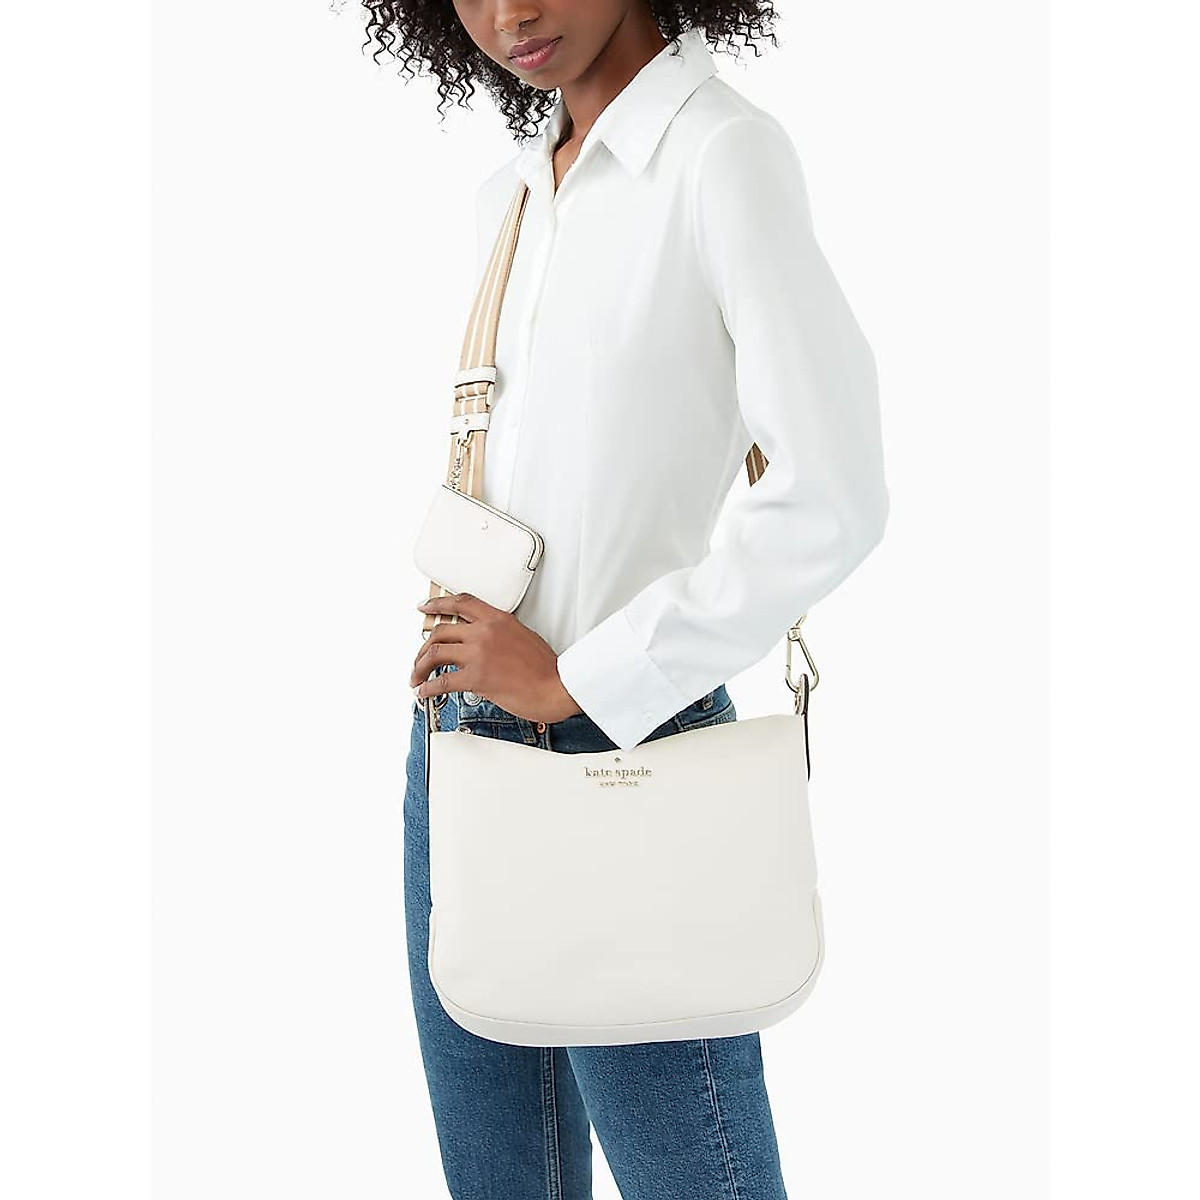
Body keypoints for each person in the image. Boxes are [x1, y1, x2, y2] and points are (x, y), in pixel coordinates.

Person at [367, 2, 890, 1196]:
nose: (511, 13)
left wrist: (578, 680)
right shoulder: (514, 194)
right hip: (455, 757)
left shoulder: (720, 157)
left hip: (626, 752)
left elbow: (835, 489)